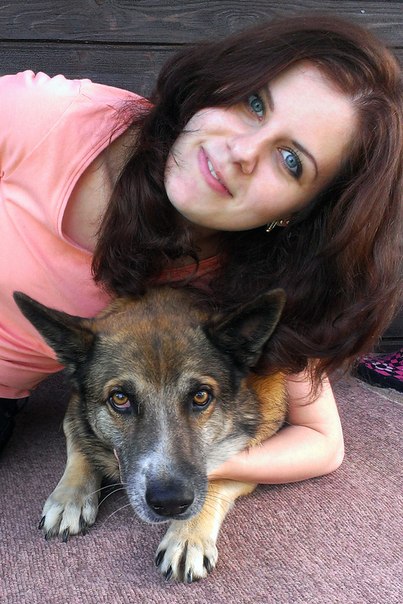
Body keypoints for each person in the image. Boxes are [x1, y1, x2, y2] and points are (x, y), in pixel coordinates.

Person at [0, 16, 402, 485]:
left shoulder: (252, 277)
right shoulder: (40, 118)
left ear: (300, 212)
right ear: (216, 85)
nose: (242, 151)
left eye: (290, 160)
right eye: (254, 103)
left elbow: (322, 442)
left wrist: (183, 469)